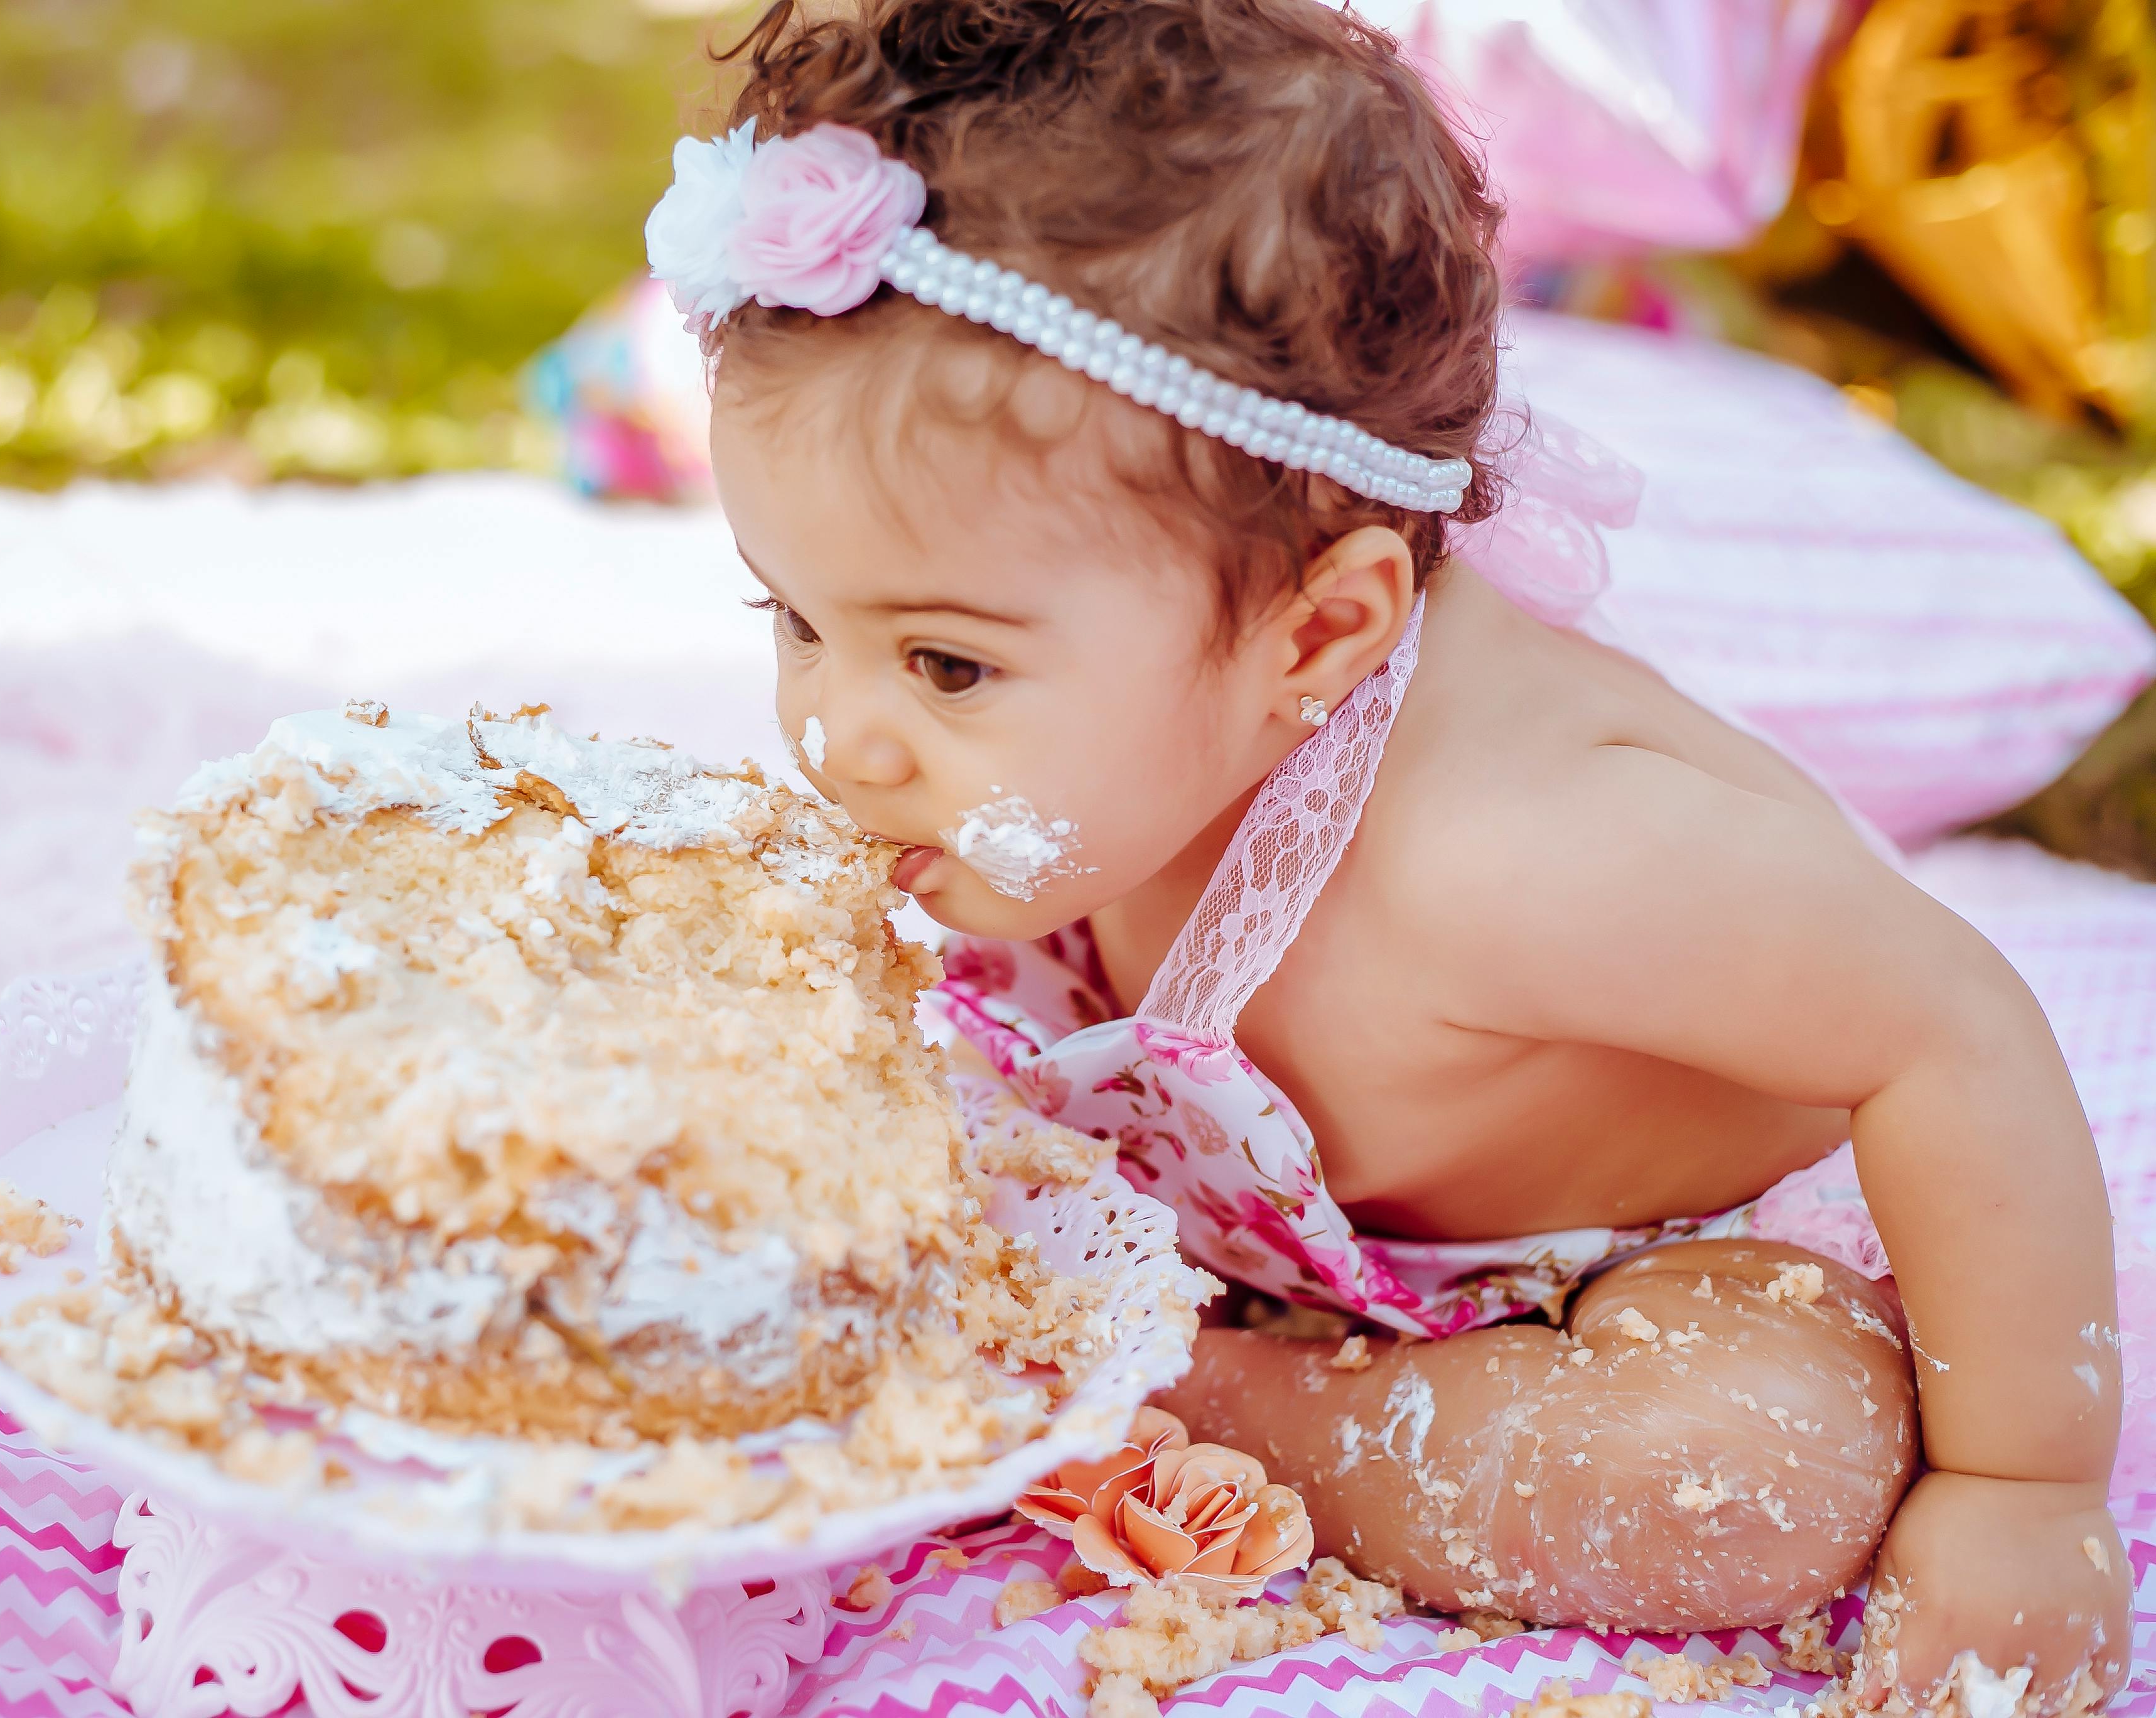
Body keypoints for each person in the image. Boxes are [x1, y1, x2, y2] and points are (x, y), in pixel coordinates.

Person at [645, 1, 2129, 1707]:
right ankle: (1150, 1328)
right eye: (794, 618)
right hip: (1283, 1223)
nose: (842, 732)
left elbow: (1952, 1028)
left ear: (1320, 634)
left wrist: (2025, 1492)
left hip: (1650, 1262)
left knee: (1743, 1473)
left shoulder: (1530, 850)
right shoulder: (1083, 758)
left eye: (946, 664)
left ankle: (1218, 1396)